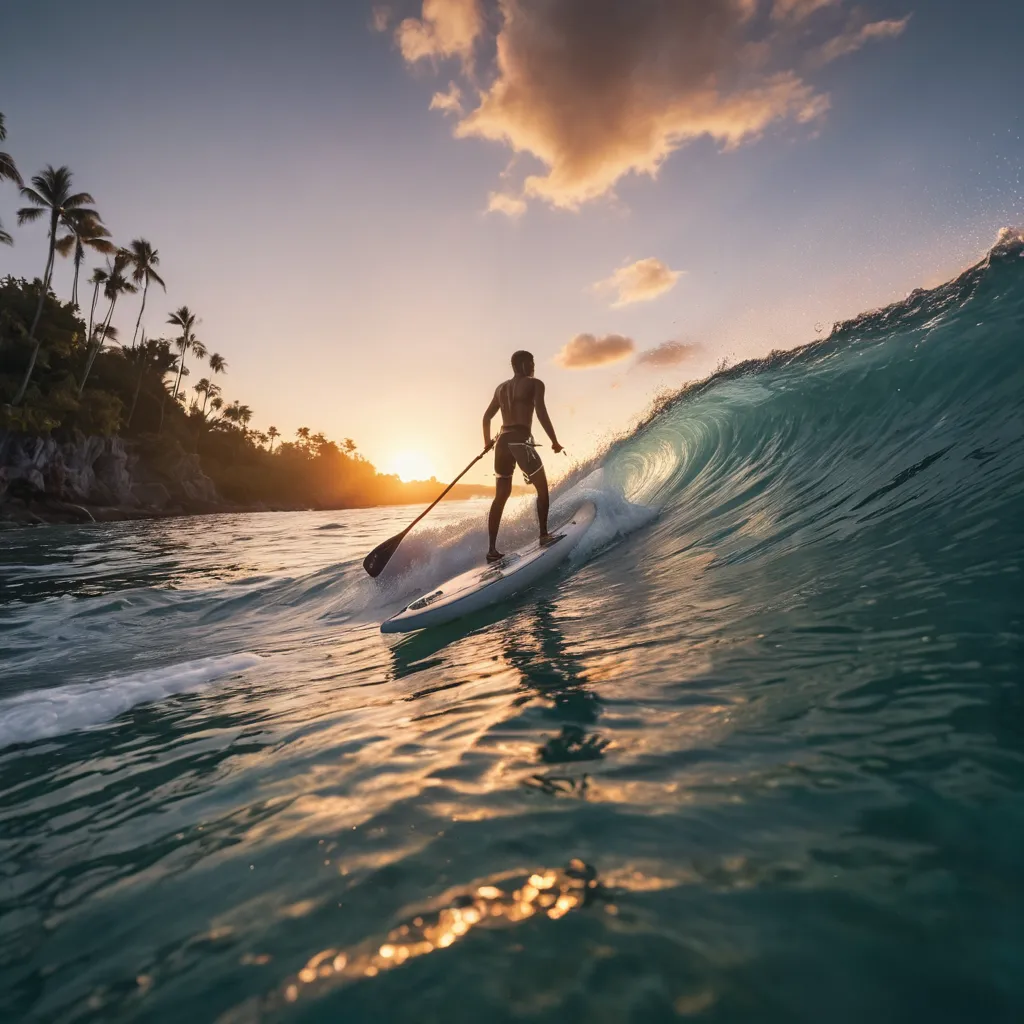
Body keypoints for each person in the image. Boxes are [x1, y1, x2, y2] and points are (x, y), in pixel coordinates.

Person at [482, 350, 564, 562]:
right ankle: (544, 535)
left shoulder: (500, 389)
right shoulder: (535, 383)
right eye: (532, 362)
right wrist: (554, 440)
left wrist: (487, 442)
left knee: (501, 495)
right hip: (519, 440)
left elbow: (486, 417)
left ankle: (491, 550)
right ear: (525, 364)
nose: (534, 366)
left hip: (501, 443)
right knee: (542, 487)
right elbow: (541, 412)